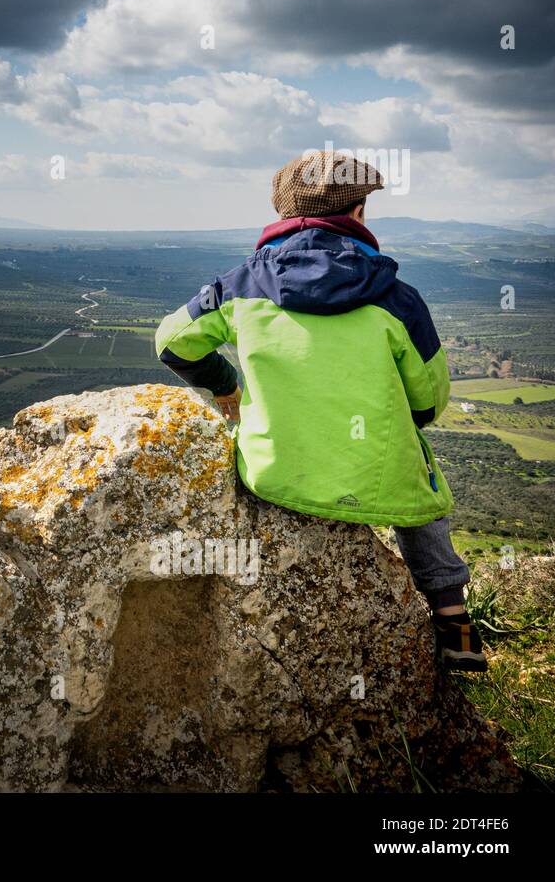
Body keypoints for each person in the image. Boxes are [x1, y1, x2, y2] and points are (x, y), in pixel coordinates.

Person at [154, 150, 486, 671]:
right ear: (358, 214)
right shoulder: (398, 299)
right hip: (379, 481)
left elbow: (171, 343)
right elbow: (428, 400)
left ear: (283, 216)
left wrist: (225, 385)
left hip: (277, 476)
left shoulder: (238, 286)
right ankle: (452, 618)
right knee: (419, 491)